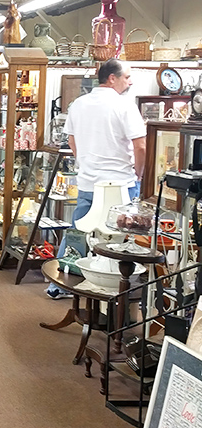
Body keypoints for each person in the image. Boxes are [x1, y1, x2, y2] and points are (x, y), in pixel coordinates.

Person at [47, 58, 146, 299]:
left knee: (79, 230)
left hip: (89, 181)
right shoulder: (124, 105)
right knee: (119, 236)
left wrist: (85, 162)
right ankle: (114, 287)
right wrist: (139, 174)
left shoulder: (79, 104)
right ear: (112, 78)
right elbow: (140, 145)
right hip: (120, 183)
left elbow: (71, 141)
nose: (130, 81)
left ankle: (59, 285)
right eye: (127, 76)